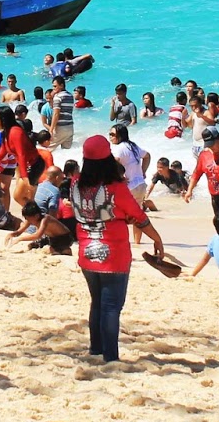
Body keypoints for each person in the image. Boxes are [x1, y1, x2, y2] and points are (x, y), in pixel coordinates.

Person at [70, 135, 164, 362]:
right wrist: (157, 239)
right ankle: (111, 357)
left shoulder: (75, 184)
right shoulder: (116, 187)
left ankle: (96, 349)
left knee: (97, 303)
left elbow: (89, 214)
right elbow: (139, 216)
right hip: (114, 255)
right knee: (111, 306)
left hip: (86, 252)